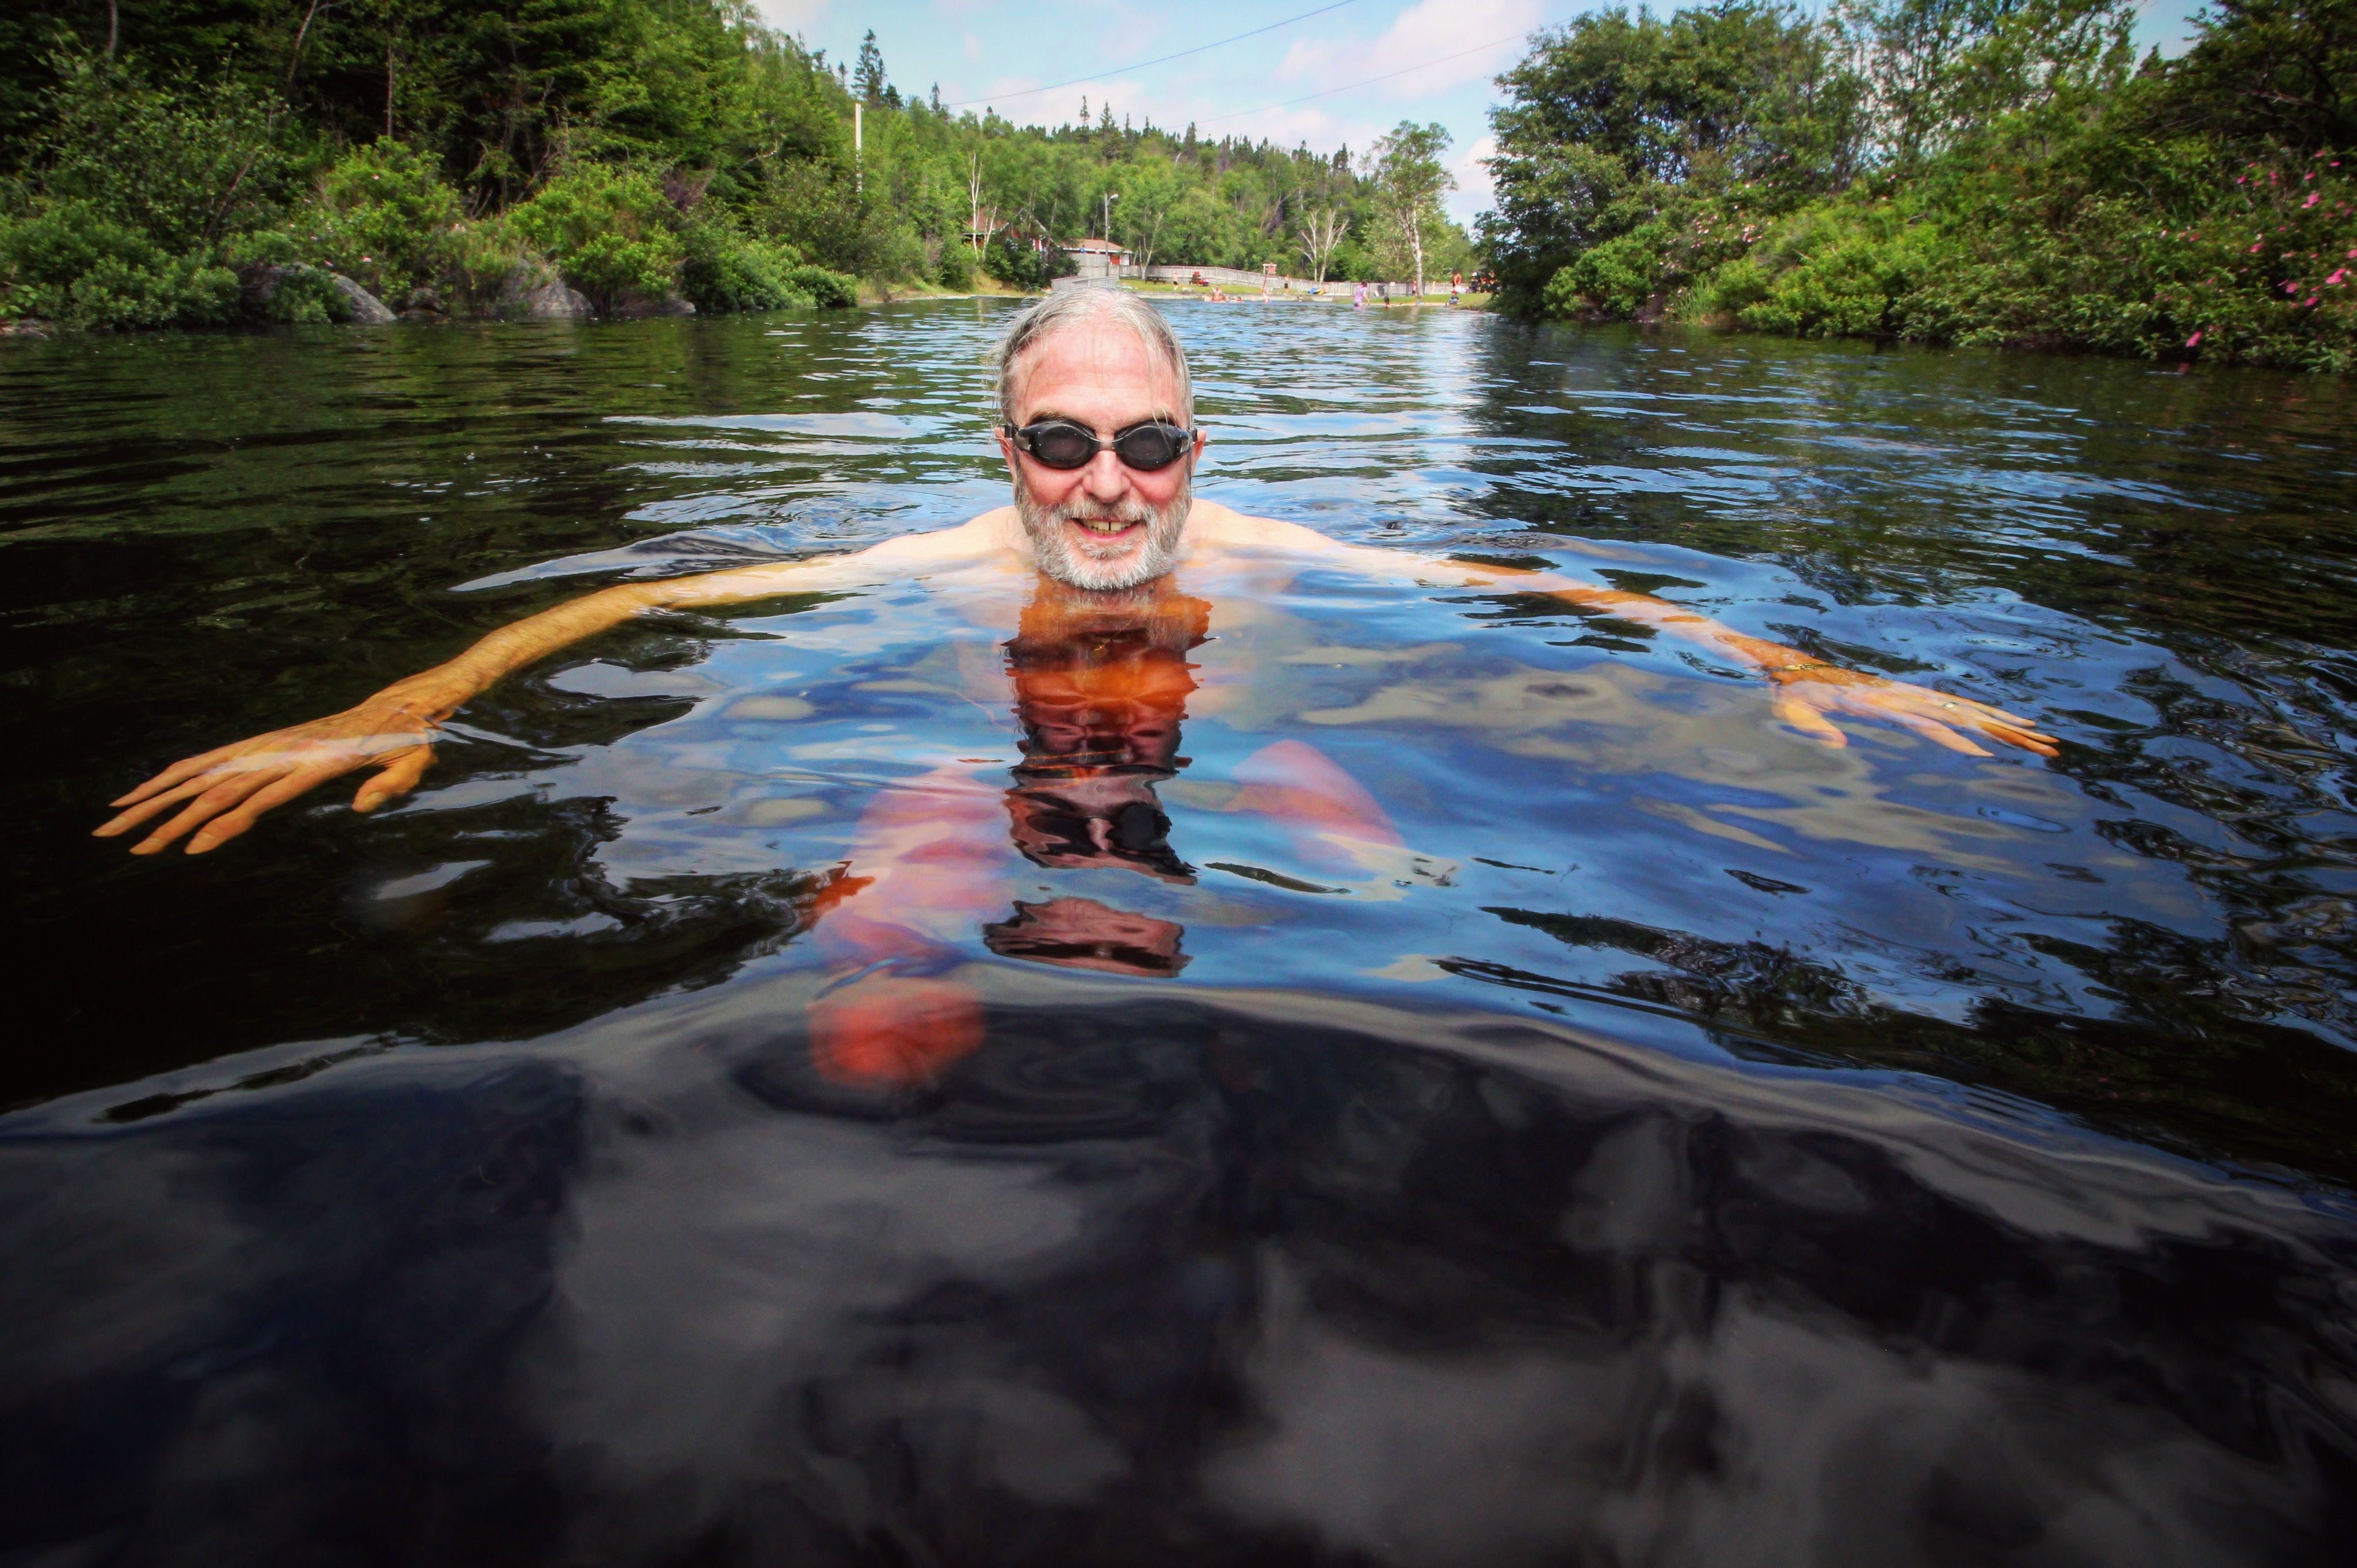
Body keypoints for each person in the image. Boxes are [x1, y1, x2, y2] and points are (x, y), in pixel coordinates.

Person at [95, 289, 2053, 1079]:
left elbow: (1534, 582)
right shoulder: (945, 564)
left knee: (1409, 939)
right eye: (1061, 441)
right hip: (988, 777)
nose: (1107, 483)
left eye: (1146, 442)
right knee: (865, 1040)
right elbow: (639, 601)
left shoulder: (1270, 553)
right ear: (1008, 452)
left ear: (1198, 449)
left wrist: (1789, 661)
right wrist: (416, 698)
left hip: (1229, 777)